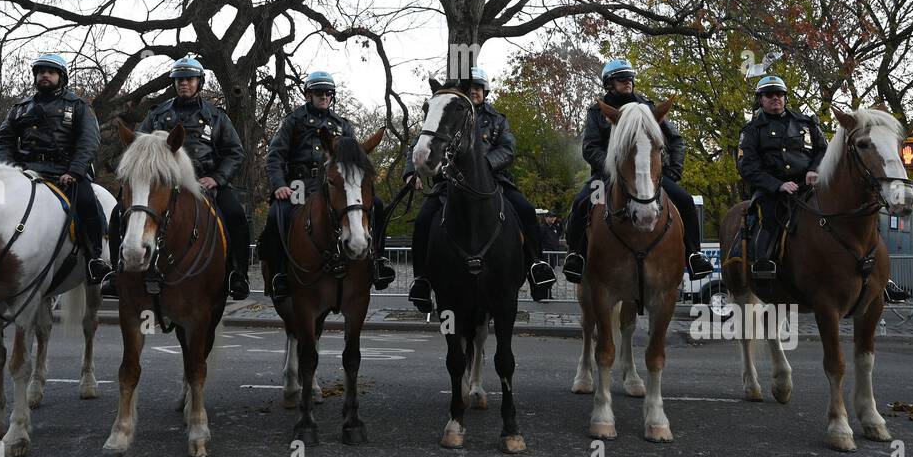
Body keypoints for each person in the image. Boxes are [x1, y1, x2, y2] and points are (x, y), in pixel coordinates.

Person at [405, 67, 558, 312]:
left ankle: (536, 267)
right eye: (470, 88)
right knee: (423, 220)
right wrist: (411, 171)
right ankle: (421, 280)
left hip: (494, 181)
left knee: (527, 211)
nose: (474, 92)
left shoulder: (497, 119)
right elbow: (422, 141)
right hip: (449, 183)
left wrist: (485, 165)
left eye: (478, 88)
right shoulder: (448, 112)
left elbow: (508, 148)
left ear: (485, 92)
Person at [562, 59, 713, 284]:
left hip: (649, 175)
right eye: (622, 78)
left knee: (685, 200)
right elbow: (590, 147)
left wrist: (673, 172)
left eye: (630, 77)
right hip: (606, 175)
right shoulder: (596, 111)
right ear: (609, 83)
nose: (628, 82)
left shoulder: (648, 108)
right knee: (581, 202)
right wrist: (612, 167)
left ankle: (694, 254)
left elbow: (676, 140)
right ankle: (576, 255)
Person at [259, 71, 396, 298]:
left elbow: (356, 159)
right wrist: (279, 185)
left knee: (378, 205)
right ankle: (279, 273)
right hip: (299, 185)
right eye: (319, 93)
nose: (324, 97)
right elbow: (275, 156)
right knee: (277, 213)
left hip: (335, 185)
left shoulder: (343, 125)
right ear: (308, 95)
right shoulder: (294, 121)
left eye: (328, 93)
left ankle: (378, 261)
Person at [135, 55, 252, 300]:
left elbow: (235, 152)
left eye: (189, 79)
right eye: (179, 80)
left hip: (205, 182)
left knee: (236, 216)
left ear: (200, 82)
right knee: (121, 211)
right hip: (164, 183)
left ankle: (237, 275)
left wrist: (217, 178)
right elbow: (138, 146)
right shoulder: (157, 114)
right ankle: (118, 271)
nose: (183, 84)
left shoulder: (216, 116)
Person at [0, 53, 110, 281]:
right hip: (25, 172)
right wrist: (7, 169)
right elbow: (3, 141)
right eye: (41, 72)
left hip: (65, 173)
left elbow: (89, 141)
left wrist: (75, 171)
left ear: (61, 77)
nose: (45, 75)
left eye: (51, 72)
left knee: (88, 203)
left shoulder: (78, 106)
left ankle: (96, 257)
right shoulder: (19, 108)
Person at [735, 74, 828, 277]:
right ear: (761, 99)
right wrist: (778, 185)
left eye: (779, 93)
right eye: (769, 94)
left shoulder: (807, 123)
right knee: (768, 218)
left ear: (785, 97)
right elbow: (746, 166)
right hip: (772, 191)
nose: (775, 97)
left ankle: (875, 273)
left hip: (808, 187)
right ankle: (763, 262)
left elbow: (824, 150)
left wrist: (815, 169)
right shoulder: (751, 131)